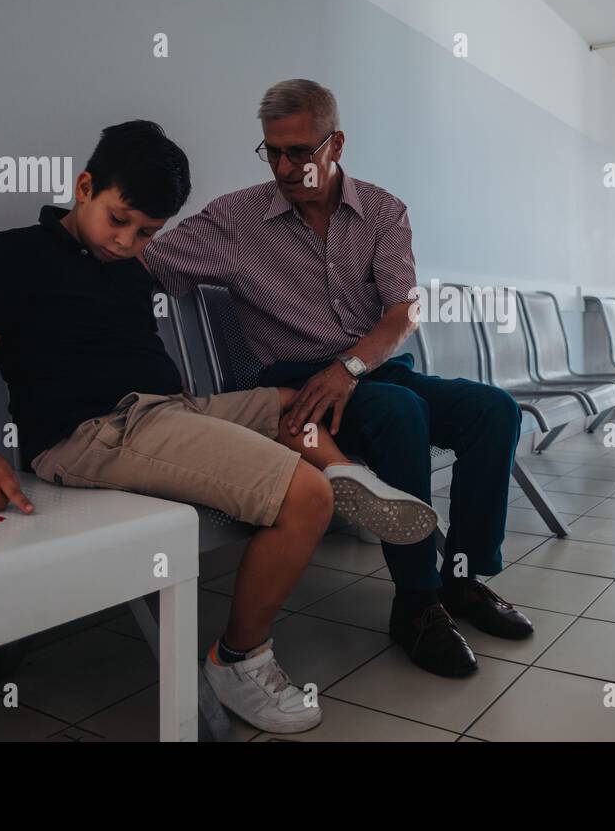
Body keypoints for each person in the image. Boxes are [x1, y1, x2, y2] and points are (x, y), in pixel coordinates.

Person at [0, 120, 437, 732]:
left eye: (147, 233)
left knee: (289, 401)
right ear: (83, 187)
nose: (127, 242)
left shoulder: (130, 264)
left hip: (167, 410)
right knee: (306, 500)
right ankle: (239, 659)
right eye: (119, 221)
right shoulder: (9, 254)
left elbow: (170, 259)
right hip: (95, 432)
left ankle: (351, 474)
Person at [141, 81, 535, 679]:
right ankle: (417, 604)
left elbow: (404, 312)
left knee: (495, 410)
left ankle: (461, 578)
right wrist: (33, 250)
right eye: (271, 151)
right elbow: (142, 262)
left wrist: (349, 368)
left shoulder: (381, 212)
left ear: (337, 143)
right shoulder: (234, 221)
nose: (283, 166)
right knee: (401, 412)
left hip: (372, 372)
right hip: (297, 391)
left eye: (298, 151)